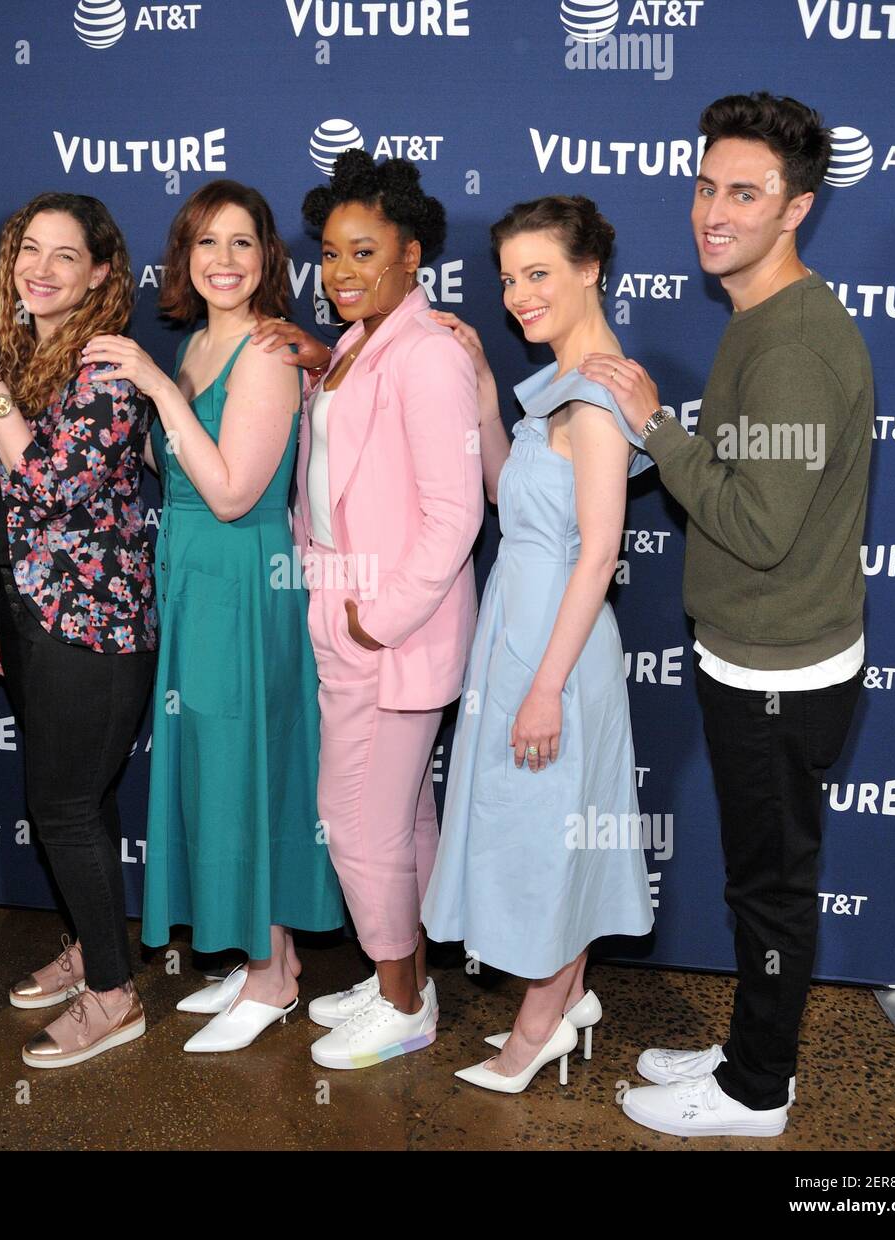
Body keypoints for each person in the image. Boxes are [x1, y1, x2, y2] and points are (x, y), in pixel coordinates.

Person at [580, 93, 873, 1137]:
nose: (713, 211)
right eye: (707, 185)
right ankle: (754, 1048)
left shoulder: (790, 346)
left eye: (743, 193)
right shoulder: (766, 317)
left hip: (778, 670)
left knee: (771, 889)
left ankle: (758, 1090)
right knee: (762, 880)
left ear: (795, 207)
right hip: (767, 654)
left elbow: (756, 522)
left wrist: (654, 427)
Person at [81, 181, 344, 1054]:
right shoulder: (197, 341)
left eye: (242, 243)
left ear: (269, 258)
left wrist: (157, 386)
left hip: (242, 576)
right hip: (193, 578)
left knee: (248, 768)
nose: (224, 261)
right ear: (183, 259)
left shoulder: (266, 352)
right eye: (206, 244)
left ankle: (274, 976)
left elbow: (233, 492)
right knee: (215, 766)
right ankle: (266, 958)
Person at [0, 192, 157, 1068]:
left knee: (62, 806)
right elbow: (6, 507)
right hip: (29, 617)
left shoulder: (107, 369)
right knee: (68, 806)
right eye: (29, 251)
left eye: (65, 256)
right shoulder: (34, 352)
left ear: (100, 273)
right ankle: (93, 952)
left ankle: (115, 993)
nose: (41, 270)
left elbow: (51, 488)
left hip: (92, 629)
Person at [421, 196, 656, 1093]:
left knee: (554, 840)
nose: (519, 294)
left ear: (590, 268)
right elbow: (506, 500)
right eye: (509, 278)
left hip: (554, 652)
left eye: (539, 273)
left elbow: (599, 552)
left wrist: (547, 686)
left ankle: (538, 1025)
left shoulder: (595, 397)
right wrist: (485, 390)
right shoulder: (558, 384)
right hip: (517, 640)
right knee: (540, 835)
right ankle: (567, 1001)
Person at [281, 150, 483, 1071]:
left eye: (365, 252)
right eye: (329, 253)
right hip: (345, 610)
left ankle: (404, 1004)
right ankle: (404, 973)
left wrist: (374, 618)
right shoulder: (366, 342)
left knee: (358, 820)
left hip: (390, 632)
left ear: (412, 257)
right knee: (402, 816)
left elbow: (455, 513)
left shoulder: (429, 352)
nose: (342, 272)